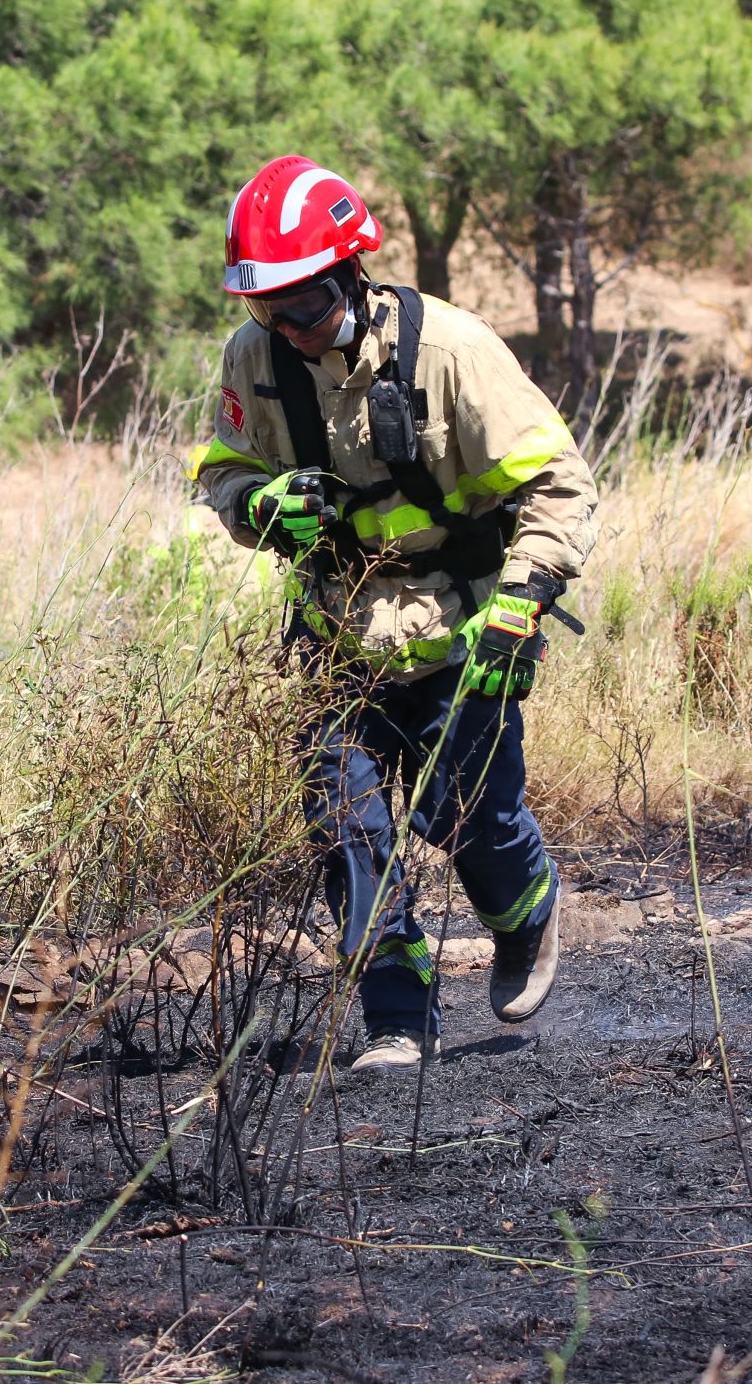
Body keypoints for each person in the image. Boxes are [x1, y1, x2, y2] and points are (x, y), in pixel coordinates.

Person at [190, 154, 600, 1071]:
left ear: (351, 274)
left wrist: (522, 601)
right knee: (347, 829)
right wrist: (259, 504)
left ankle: (526, 909)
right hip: (336, 636)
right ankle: (398, 1017)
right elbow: (224, 473)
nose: (289, 327)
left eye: (304, 303)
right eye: (266, 307)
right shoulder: (254, 357)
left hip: (463, 633)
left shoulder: (451, 352)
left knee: (467, 817)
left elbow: (560, 485)